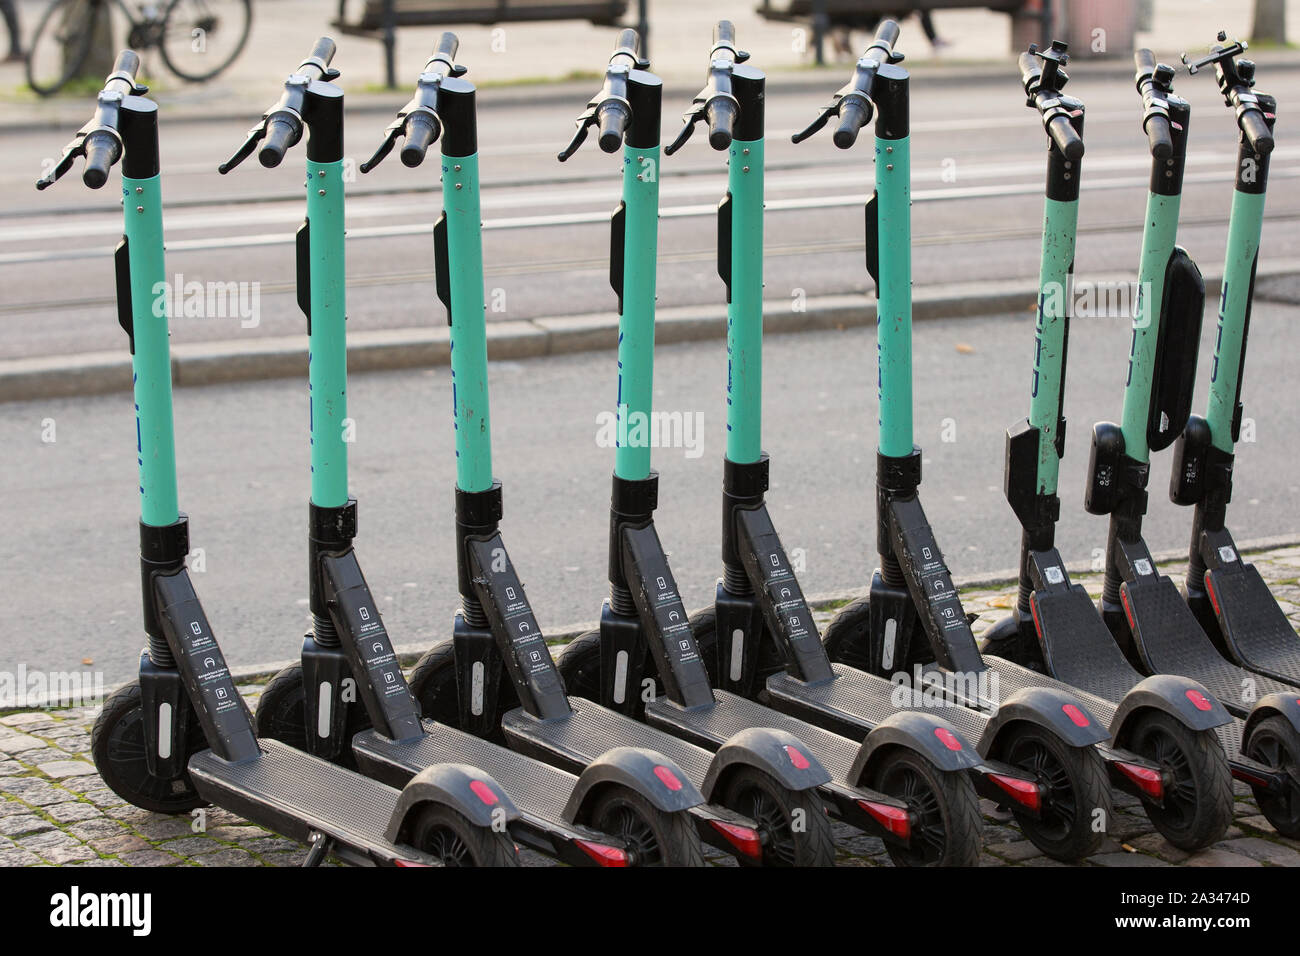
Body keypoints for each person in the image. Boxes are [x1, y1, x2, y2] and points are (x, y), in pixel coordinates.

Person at [829, 8, 948, 59]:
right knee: (920, 7)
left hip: (856, 15)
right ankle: (934, 40)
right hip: (880, 12)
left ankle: (843, 47)